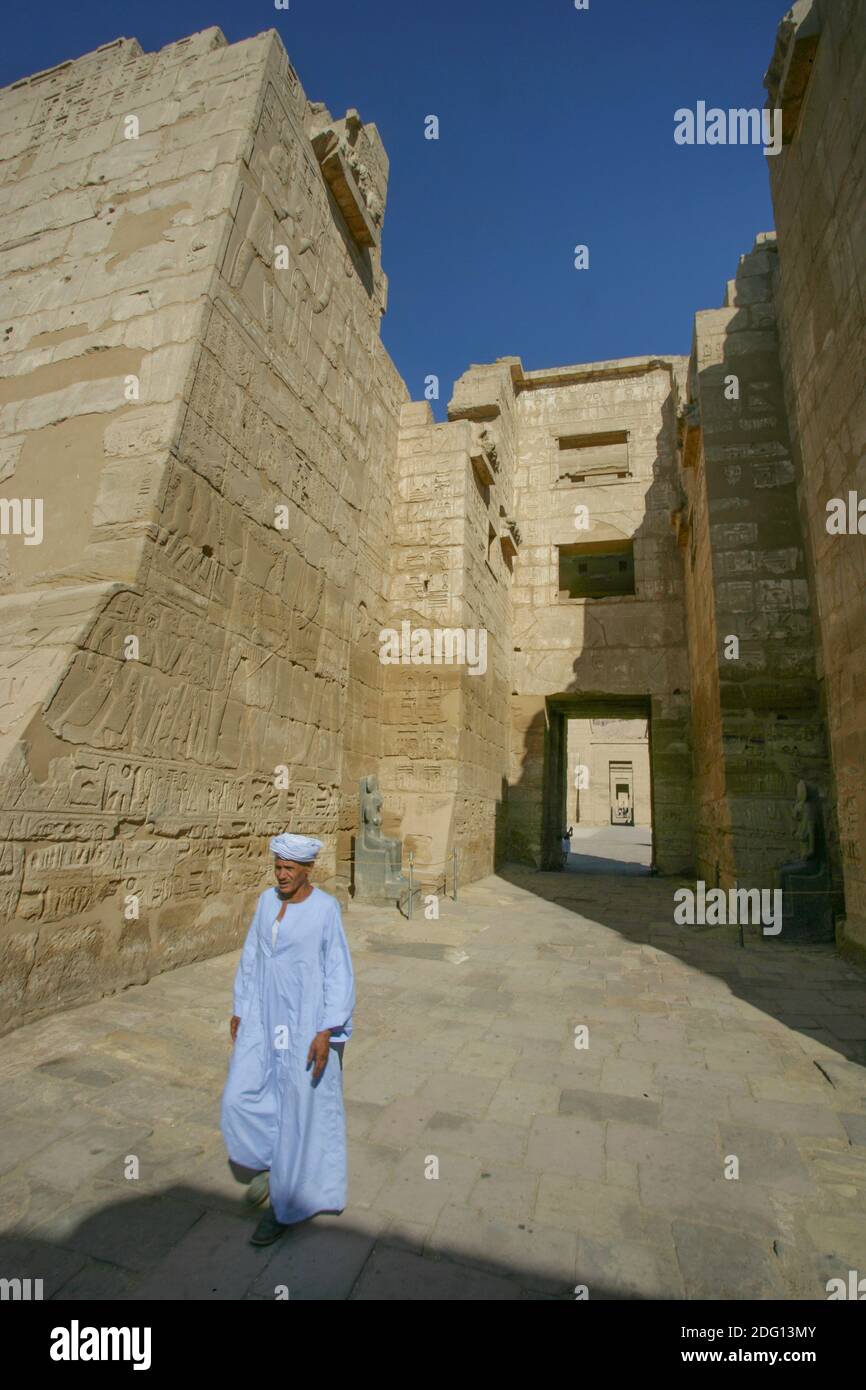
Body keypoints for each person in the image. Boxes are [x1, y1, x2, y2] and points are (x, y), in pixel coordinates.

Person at [220, 833, 355, 1246]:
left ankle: (286, 1205)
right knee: (240, 1097)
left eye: (289, 869)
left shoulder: (325, 910)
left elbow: (338, 971)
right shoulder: (265, 902)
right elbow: (251, 956)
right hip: (263, 1016)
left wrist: (326, 1030)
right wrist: (241, 1006)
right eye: (277, 867)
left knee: (299, 1109)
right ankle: (271, 1161)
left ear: (306, 870)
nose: (281, 875)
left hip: (305, 1023)